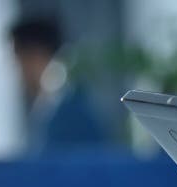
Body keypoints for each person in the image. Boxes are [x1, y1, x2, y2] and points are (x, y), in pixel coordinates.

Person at [9, 17, 105, 154]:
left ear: (35, 55)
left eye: (17, 59)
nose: (15, 70)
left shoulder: (69, 110)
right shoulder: (48, 106)